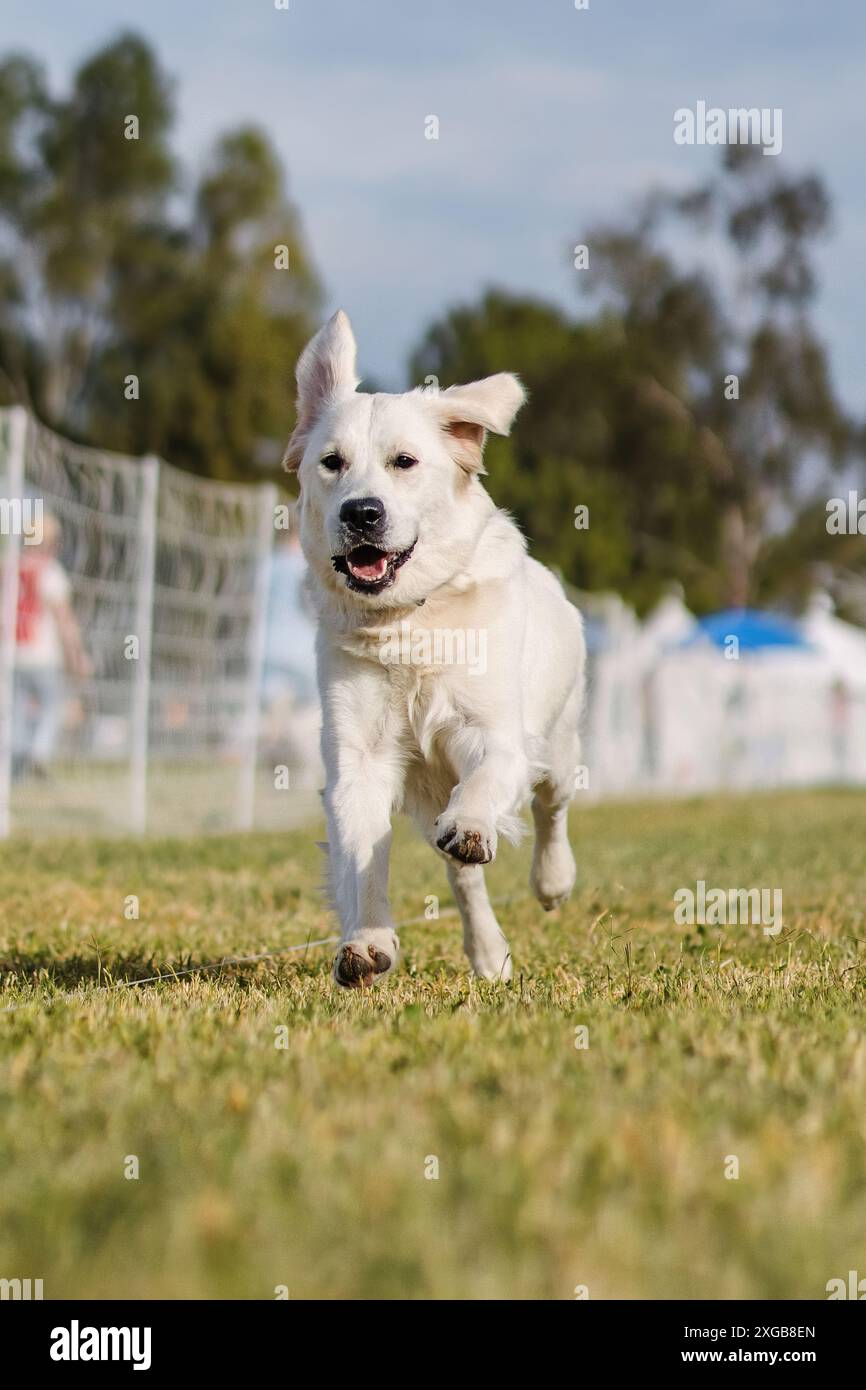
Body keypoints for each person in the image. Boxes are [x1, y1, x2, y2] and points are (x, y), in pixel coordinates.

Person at [12, 512, 90, 780]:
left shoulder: (12, 568)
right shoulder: (50, 572)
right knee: (52, 705)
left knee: (17, 709)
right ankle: (39, 753)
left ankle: (18, 760)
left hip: (11, 652)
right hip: (42, 653)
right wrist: (76, 655)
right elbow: (64, 619)